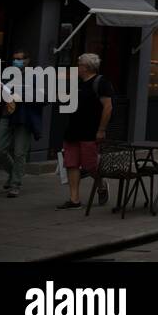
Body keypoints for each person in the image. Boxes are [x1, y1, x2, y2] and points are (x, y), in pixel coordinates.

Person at [58, 53, 114, 210]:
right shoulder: (77, 83)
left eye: (79, 64)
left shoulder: (101, 83)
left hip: (91, 131)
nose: (77, 66)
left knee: (90, 165)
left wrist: (101, 130)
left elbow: (108, 107)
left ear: (87, 67)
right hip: (73, 129)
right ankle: (74, 199)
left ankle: (101, 185)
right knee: (71, 163)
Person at [0, 49, 43, 199]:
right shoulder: (7, 74)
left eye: (19, 59)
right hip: (7, 115)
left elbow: (40, 95)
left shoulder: (34, 75)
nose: (16, 61)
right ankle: (13, 174)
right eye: (14, 58)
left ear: (27, 61)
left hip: (24, 117)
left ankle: (15, 183)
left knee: (19, 153)